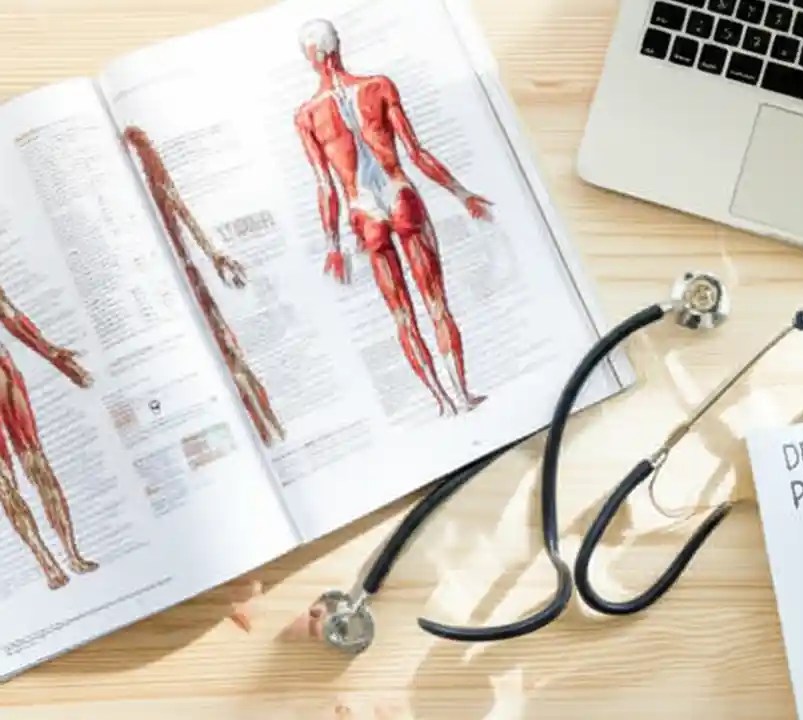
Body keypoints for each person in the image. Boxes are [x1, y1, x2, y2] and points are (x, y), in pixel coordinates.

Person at [293, 18, 491, 416]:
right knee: (437, 304)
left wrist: (332, 246)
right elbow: (416, 153)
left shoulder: (307, 115)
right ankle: (462, 394)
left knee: (402, 317)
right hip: (399, 195)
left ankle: (442, 402)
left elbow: (326, 186)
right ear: (338, 47)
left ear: (311, 57)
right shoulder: (377, 86)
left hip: (363, 212)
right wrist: (462, 193)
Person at [123, 126, 286, 447]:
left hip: (188, 280)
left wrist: (214, 256)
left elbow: (182, 212)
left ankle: (269, 429)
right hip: (174, 288)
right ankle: (264, 429)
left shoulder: (156, 182)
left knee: (230, 353)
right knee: (224, 357)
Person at [0, 286, 97, 589]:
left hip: (4, 376)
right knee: (5, 482)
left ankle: (70, 553)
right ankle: (48, 562)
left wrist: (54, 355)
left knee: (35, 463)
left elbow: (10, 315)